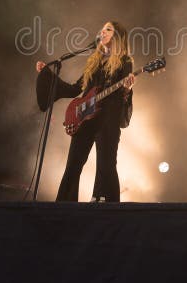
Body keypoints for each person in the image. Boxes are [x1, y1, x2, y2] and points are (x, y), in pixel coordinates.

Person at [35, 21, 135, 202]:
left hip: (107, 119)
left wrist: (127, 90)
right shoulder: (94, 63)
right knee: (73, 166)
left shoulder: (124, 61)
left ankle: (108, 207)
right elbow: (75, 89)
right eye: (102, 29)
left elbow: (122, 94)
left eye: (108, 29)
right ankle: (65, 207)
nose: (103, 32)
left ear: (118, 36)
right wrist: (48, 75)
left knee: (106, 165)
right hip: (85, 118)